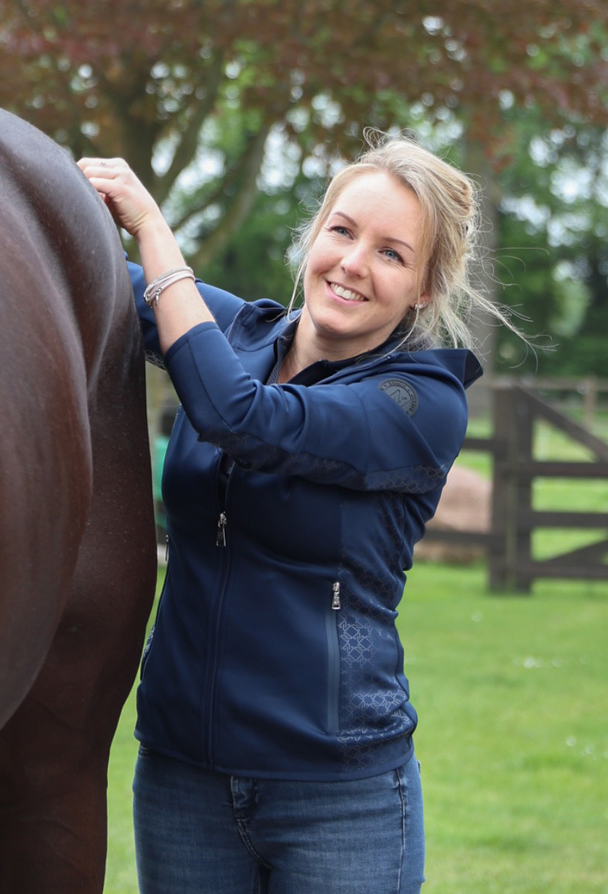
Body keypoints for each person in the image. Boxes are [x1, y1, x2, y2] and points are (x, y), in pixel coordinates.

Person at [79, 132, 497, 894]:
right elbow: (76, 275)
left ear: (426, 289)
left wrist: (153, 228)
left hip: (339, 798)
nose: (352, 263)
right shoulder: (233, 335)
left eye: (392, 254)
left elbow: (239, 416)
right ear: (314, 235)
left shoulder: (421, 401)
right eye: (342, 231)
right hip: (182, 774)